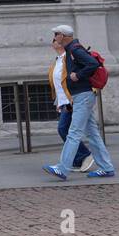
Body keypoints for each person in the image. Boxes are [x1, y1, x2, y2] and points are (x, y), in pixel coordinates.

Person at [42, 24, 117, 181]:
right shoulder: (71, 50)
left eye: (56, 34)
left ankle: (62, 168)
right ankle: (106, 167)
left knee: (74, 133)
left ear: (63, 36)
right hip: (79, 96)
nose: (54, 37)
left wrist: (79, 75)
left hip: (83, 95)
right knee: (92, 134)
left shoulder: (75, 49)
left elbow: (93, 64)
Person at [48, 30, 93, 172]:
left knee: (67, 130)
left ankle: (81, 157)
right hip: (66, 101)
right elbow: (57, 83)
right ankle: (91, 160)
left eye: (55, 38)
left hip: (74, 98)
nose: (53, 41)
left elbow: (89, 66)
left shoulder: (69, 56)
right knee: (88, 132)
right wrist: (58, 101)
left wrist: (68, 99)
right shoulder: (57, 60)